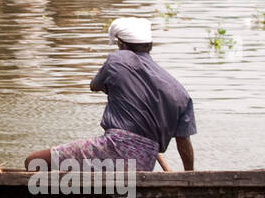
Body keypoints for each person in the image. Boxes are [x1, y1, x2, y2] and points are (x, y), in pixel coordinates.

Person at [25, 18, 196, 172]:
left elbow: (95, 85)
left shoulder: (118, 59)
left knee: (34, 161)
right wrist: (190, 177)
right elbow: (183, 142)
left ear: (121, 45)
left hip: (113, 148)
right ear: (149, 45)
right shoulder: (179, 91)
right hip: (145, 161)